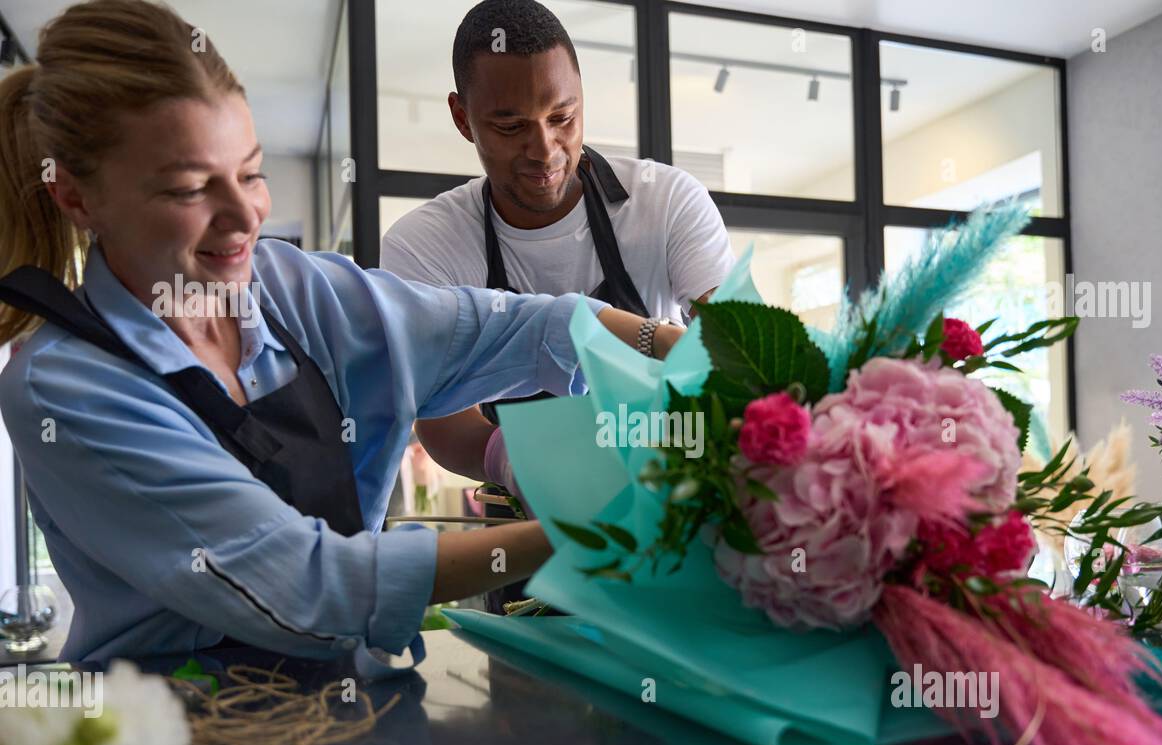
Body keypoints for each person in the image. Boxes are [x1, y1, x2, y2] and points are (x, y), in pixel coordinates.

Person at [0, 0, 680, 664]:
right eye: (188, 189)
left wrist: (688, 354)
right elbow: (310, 583)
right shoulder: (67, 387)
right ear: (77, 197)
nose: (244, 217)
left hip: (349, 711)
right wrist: (599, 529)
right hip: (187, 740)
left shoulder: (293, 291)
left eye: (251, 173)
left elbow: (526, 327)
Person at [382, 0, 735, 610]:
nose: (545, 150)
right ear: (463, 119)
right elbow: (435, 417)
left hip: (674, 525)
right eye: (511, 126)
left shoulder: (666, 203)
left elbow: (733, 355)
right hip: (525, 541)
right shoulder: (425, 246)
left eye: (562, 117)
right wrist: (512, 459)